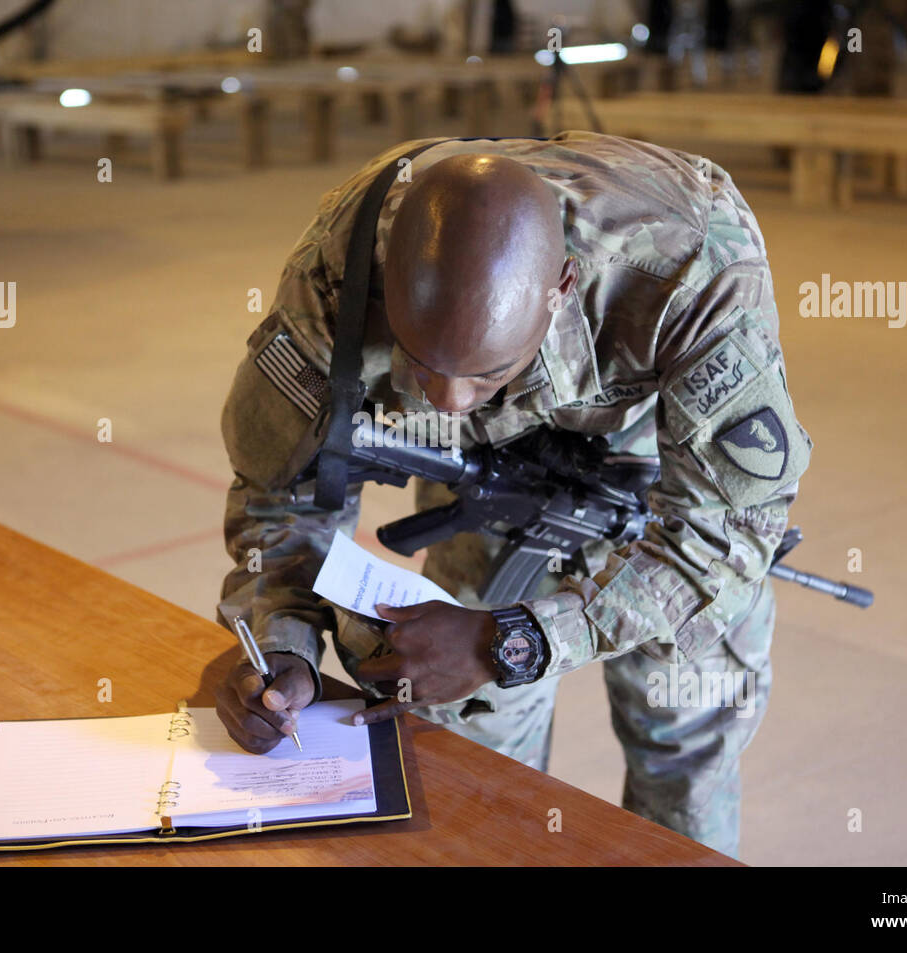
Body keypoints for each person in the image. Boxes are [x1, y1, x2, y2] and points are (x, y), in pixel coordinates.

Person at [215, 132, 812, 859]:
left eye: (486, 371)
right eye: (420, 362)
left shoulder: (693, 267)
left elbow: (726, 533)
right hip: (497, 483)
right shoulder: (342, 266)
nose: (449, 399)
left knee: (683, 752)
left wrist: (516, 639)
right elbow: (280, 492)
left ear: (559, 288)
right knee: (475, 766)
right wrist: (284, 645)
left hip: (662, 478)